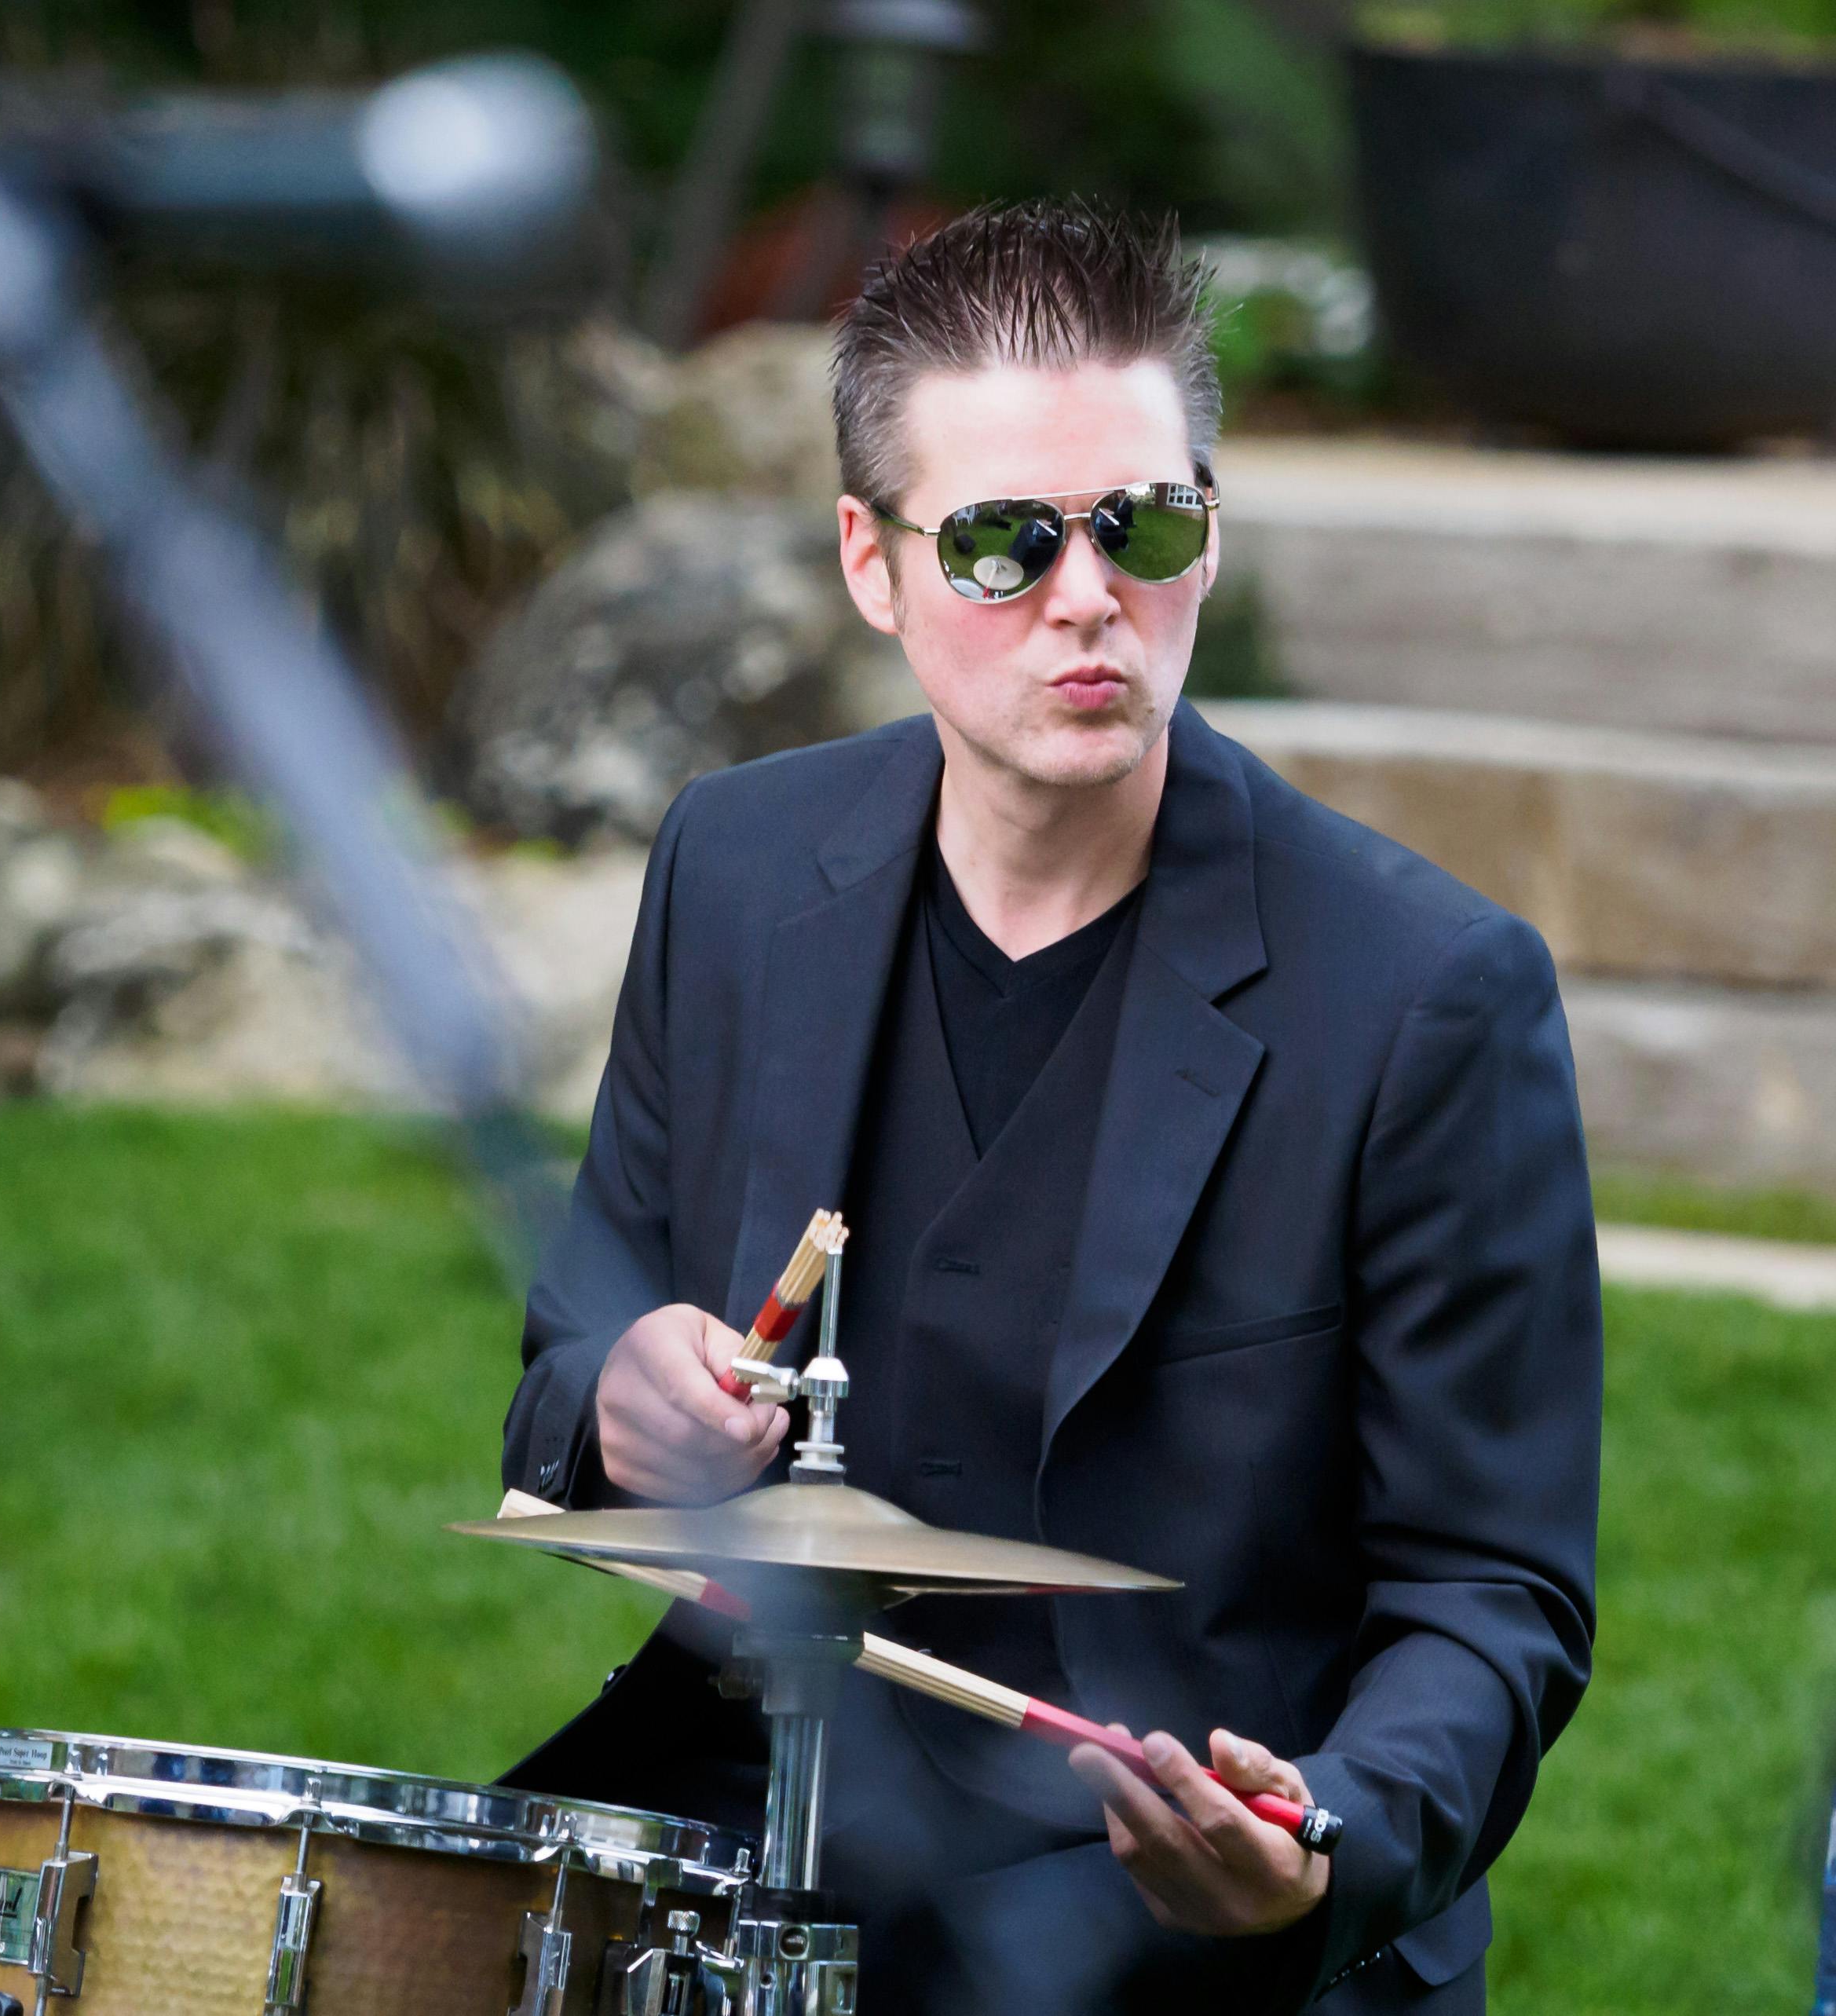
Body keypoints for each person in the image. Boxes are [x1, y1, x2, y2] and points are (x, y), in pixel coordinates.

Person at [496, 199, 1600, 2016]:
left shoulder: (1424, 994)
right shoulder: (736, 869)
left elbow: (1490, 1591)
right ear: (871, 562)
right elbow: (570, 1363)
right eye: (1005, 541)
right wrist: (623, 1413)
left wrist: (1319, 1831)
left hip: (1160, 1891)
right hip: (756, 1802)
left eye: (1141, 524)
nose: (1088, 595)